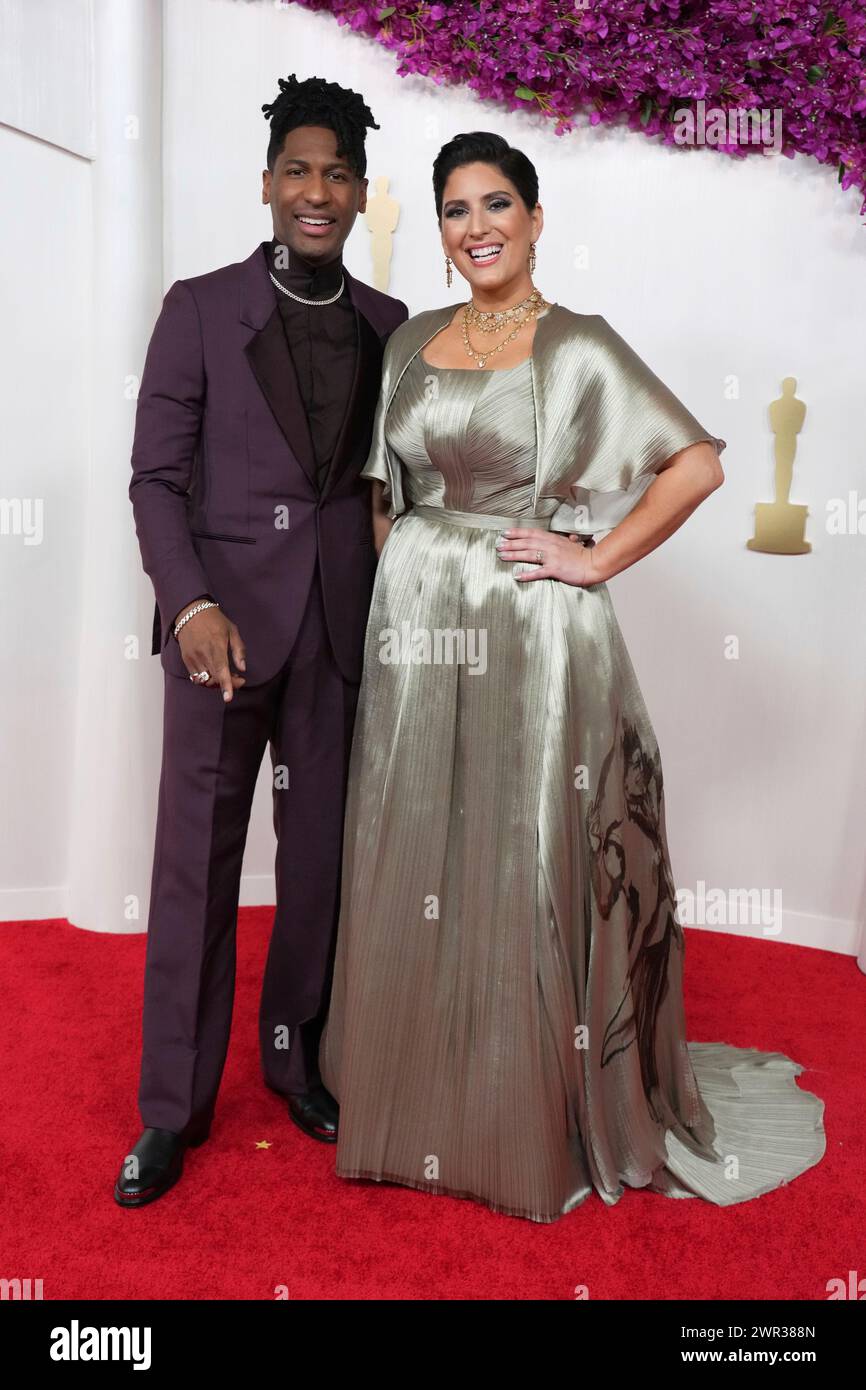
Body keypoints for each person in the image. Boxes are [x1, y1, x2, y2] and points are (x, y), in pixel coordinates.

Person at [318, 131, 826, 1222]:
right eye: (454, 210)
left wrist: (591, 556)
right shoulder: (407, 341)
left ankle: (525, 1112)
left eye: (497, 203)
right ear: (442, 233)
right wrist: (406, 600)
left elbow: (696, 464)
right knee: (419, 844)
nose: (476, 226)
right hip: (415, 629)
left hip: (531, 629)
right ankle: (418, 1104)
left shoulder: (579, 345)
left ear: (536, 219)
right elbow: (381, 493)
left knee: (523, 851)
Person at [115, 75, 407, 1208]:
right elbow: (152, 479)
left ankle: (298, 1061)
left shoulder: (391, 327)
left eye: (337, 173)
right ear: (268, 183)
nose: (317, 190)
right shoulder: (196, 307)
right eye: (299, 170)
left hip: (340, 630)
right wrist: (190, 607)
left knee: (320, 866)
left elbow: (402, 485)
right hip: (218, 636)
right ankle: (170, 1112)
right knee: (194, 869)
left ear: (359, 191)